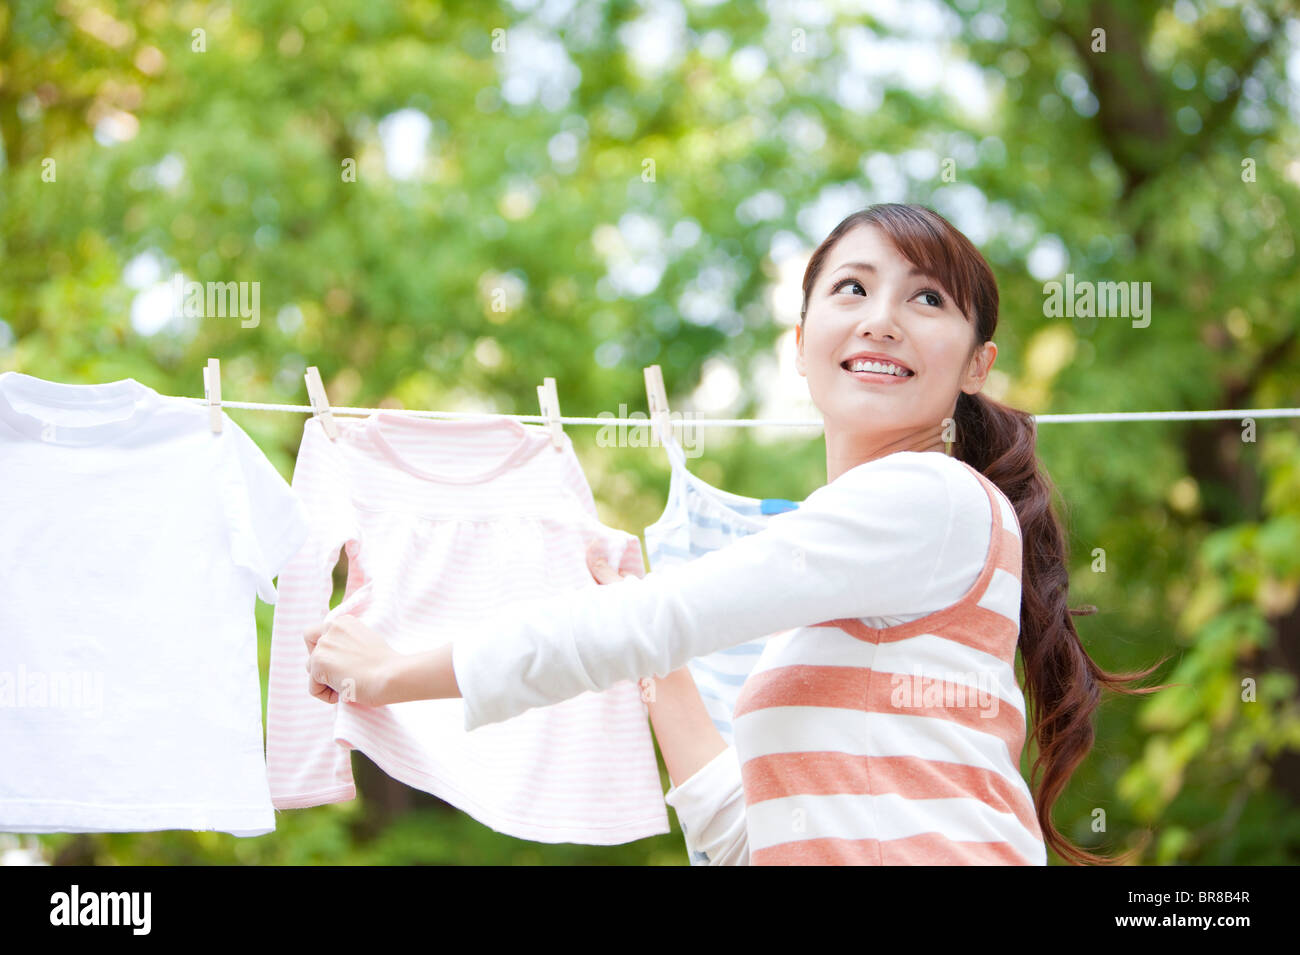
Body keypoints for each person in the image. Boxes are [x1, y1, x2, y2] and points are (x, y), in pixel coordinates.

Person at [303, 202, 1165, 864]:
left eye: (927, 297)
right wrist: (664, 676)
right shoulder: (836, 600)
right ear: (800, 342)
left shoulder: (932, 497)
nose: (882, 317)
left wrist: (392, 673)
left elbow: (654, 617)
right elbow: (746, 840)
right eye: (852, 287)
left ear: (978, 363)